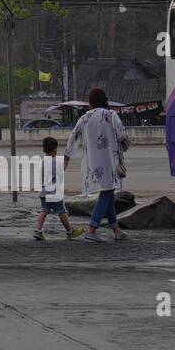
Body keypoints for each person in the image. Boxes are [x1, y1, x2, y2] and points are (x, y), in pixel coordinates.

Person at [65, 88, 130, 243]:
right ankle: (92, 229)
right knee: (107, 194)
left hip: (92, 163)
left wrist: (66, 157)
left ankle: (116, 230)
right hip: (109, 162)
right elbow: (122, 135)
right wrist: (125, 146)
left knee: (107, 193)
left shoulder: (84, 118)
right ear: (105, 100)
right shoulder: (111, 115)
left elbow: (73, 138)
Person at [33, 136, 83, 240]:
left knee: (44, 210)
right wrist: (66, 161)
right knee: (61, 211)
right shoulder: (54, 162)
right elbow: (60, 171)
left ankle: (38, 230)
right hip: (53, 192)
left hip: (43, 192)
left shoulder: (42, 161)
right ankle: (70, 231)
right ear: (55, 151)